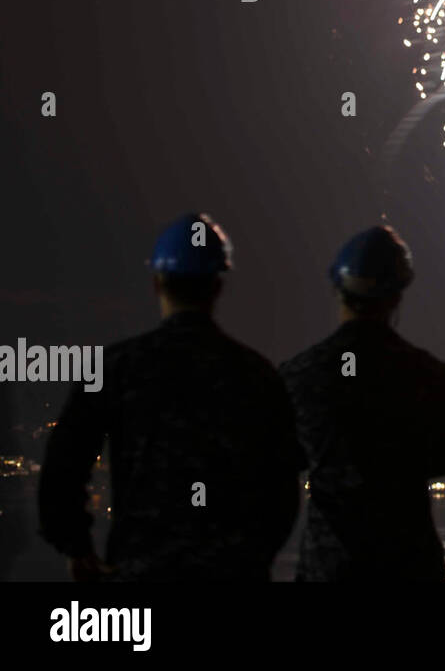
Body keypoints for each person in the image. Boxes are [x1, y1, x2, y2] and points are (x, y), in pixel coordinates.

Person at [38, 213, 301, 581]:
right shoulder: (256, 374)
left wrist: (76, 546)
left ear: (157, 283)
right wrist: (253, 556)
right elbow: (283, 488)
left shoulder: (115, 368)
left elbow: (62, 471)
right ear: (217, 286)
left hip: (137, 569)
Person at [280, 225, 445, 581]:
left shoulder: (299, 375)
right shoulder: (432, 375)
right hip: (409, 564)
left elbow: (284, 461)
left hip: (328, 567)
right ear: (397, 296)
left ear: (338, 290)